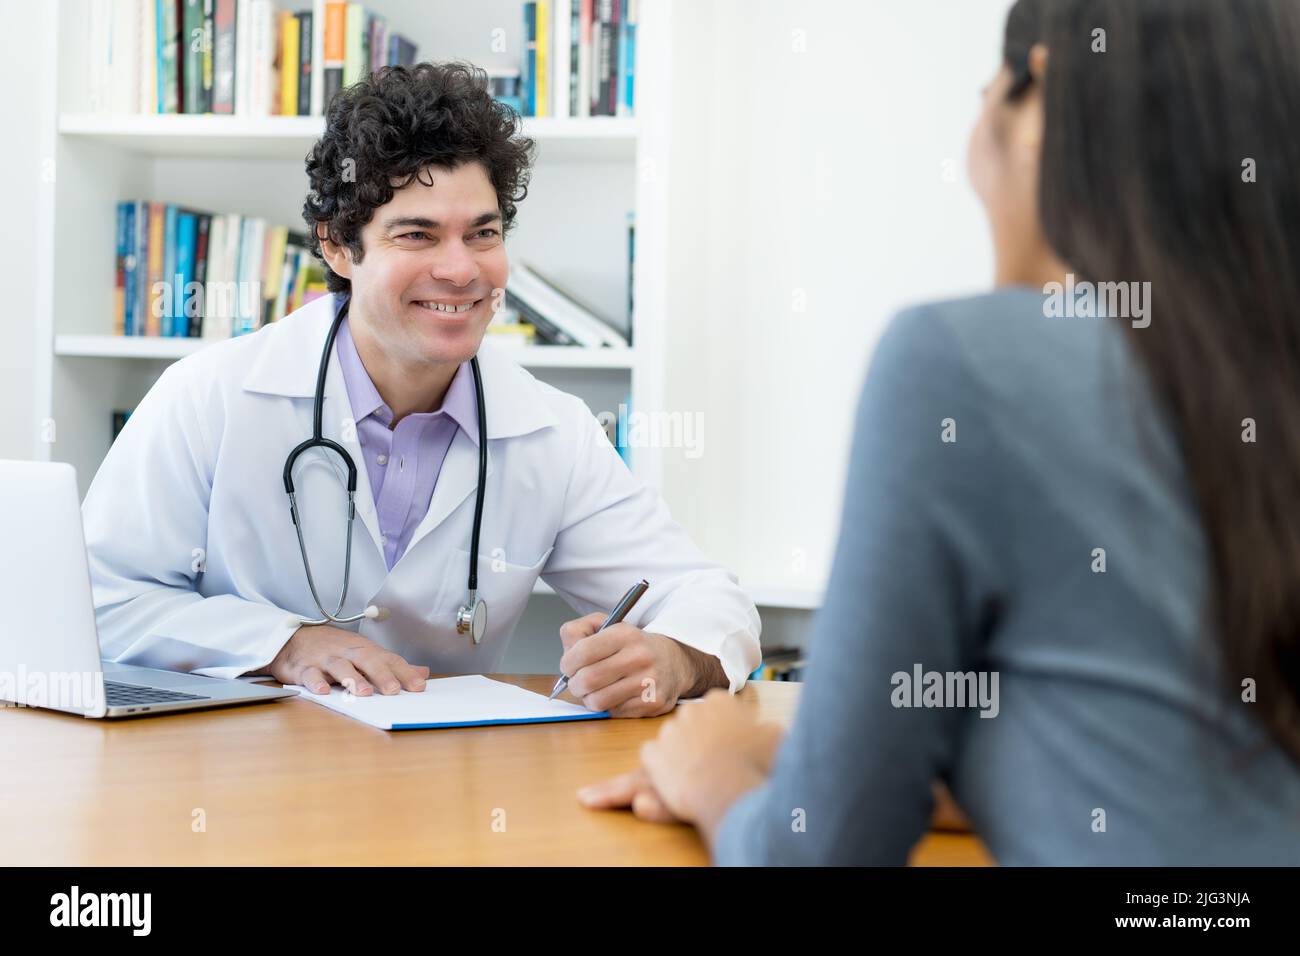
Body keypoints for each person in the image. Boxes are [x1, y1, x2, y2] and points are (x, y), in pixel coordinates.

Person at [580, 0, 1300, 860]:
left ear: (1041, 107)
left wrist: (712, 775)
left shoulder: (963, 361)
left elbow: (824, 852)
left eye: (986, 92)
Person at [82, 62, 760, 717]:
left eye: (483, 234)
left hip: (444, 794)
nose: (462, 270)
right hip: (240, 794)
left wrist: (672, 658)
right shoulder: (210, 397)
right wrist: (281, 644)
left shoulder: (552, 431)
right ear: (339, 248)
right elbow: (99, 600)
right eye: (417, 234)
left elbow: (705, 595)